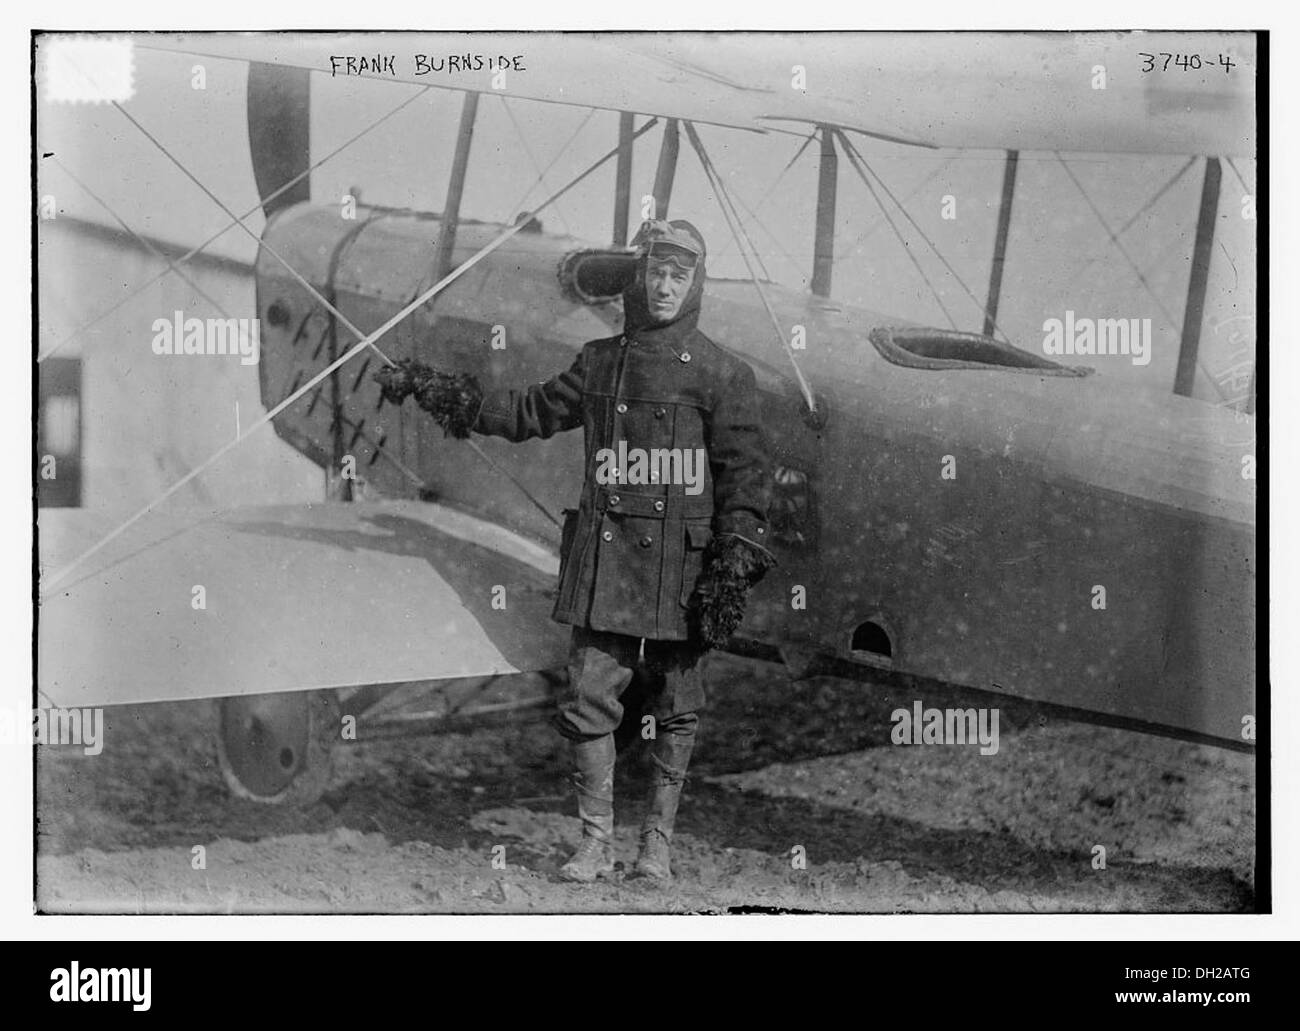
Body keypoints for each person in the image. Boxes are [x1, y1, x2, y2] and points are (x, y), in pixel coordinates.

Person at [374, 219, 774, 883]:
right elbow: (526, 411)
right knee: (589, 696)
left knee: (678, 704)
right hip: (610, 564)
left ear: (696, 282)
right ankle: (595, 843)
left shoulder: (723, 374)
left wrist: (732, 562)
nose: (666, 286)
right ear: (639, 278)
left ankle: (657, 847)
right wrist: (438, 389)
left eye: (680, 275)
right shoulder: (600, 363)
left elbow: (747, 476)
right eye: (657, 272)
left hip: (682, 569)